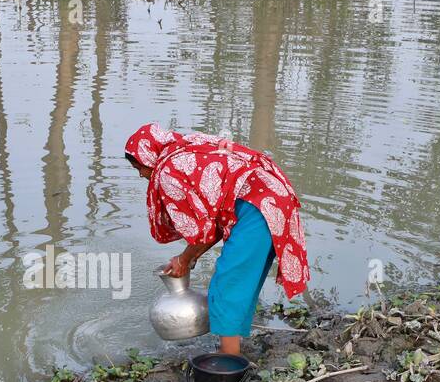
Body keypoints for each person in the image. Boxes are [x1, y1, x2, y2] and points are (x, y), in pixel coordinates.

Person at [125, 123, 308, 356]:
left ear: (149, 156)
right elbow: (216, 222)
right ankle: (231, 349)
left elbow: (204, 232)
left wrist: (184, 259)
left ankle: (228, 364)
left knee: (226, 287)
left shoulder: (167, 171)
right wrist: (189, 258)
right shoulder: (186, 146)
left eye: (138, 167)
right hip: (273, 193)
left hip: (257, 207)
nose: (141, 174)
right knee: (240, 283)